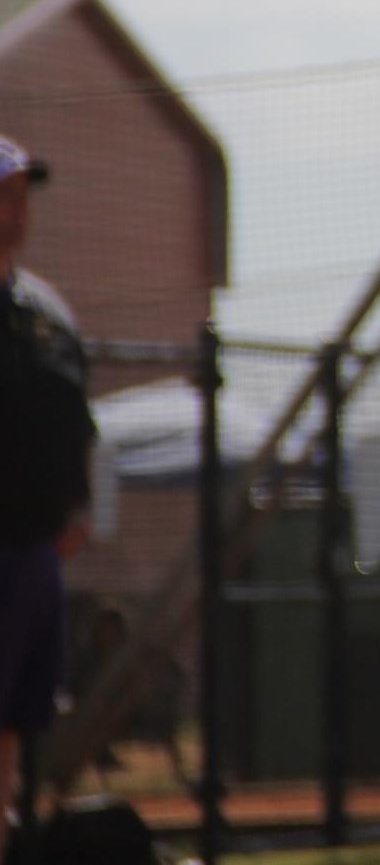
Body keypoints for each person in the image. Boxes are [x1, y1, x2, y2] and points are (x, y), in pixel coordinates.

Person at [0, 136, 96, 863]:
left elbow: (76, 424)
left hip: (35, 559)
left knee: (12, 739)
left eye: (21, 193)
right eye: (2, 193)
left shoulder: (44, 314)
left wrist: (78, 509)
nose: (13, 210)